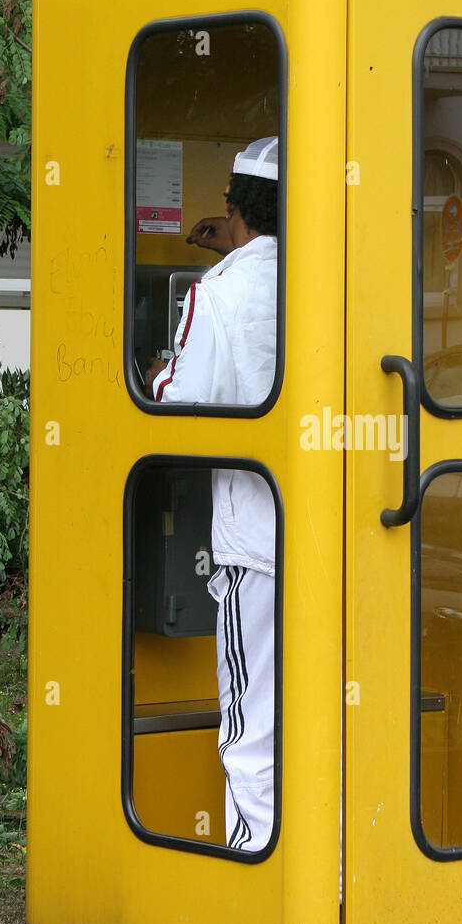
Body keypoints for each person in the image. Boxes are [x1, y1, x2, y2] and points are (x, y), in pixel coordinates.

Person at [145, 135, 278, 852]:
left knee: (250, 725)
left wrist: (158, 363)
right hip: (330, 542)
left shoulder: (218, 291)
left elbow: (179, 397)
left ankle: (253, 868)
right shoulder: (328, 281)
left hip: (254, 546)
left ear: (233, 207)